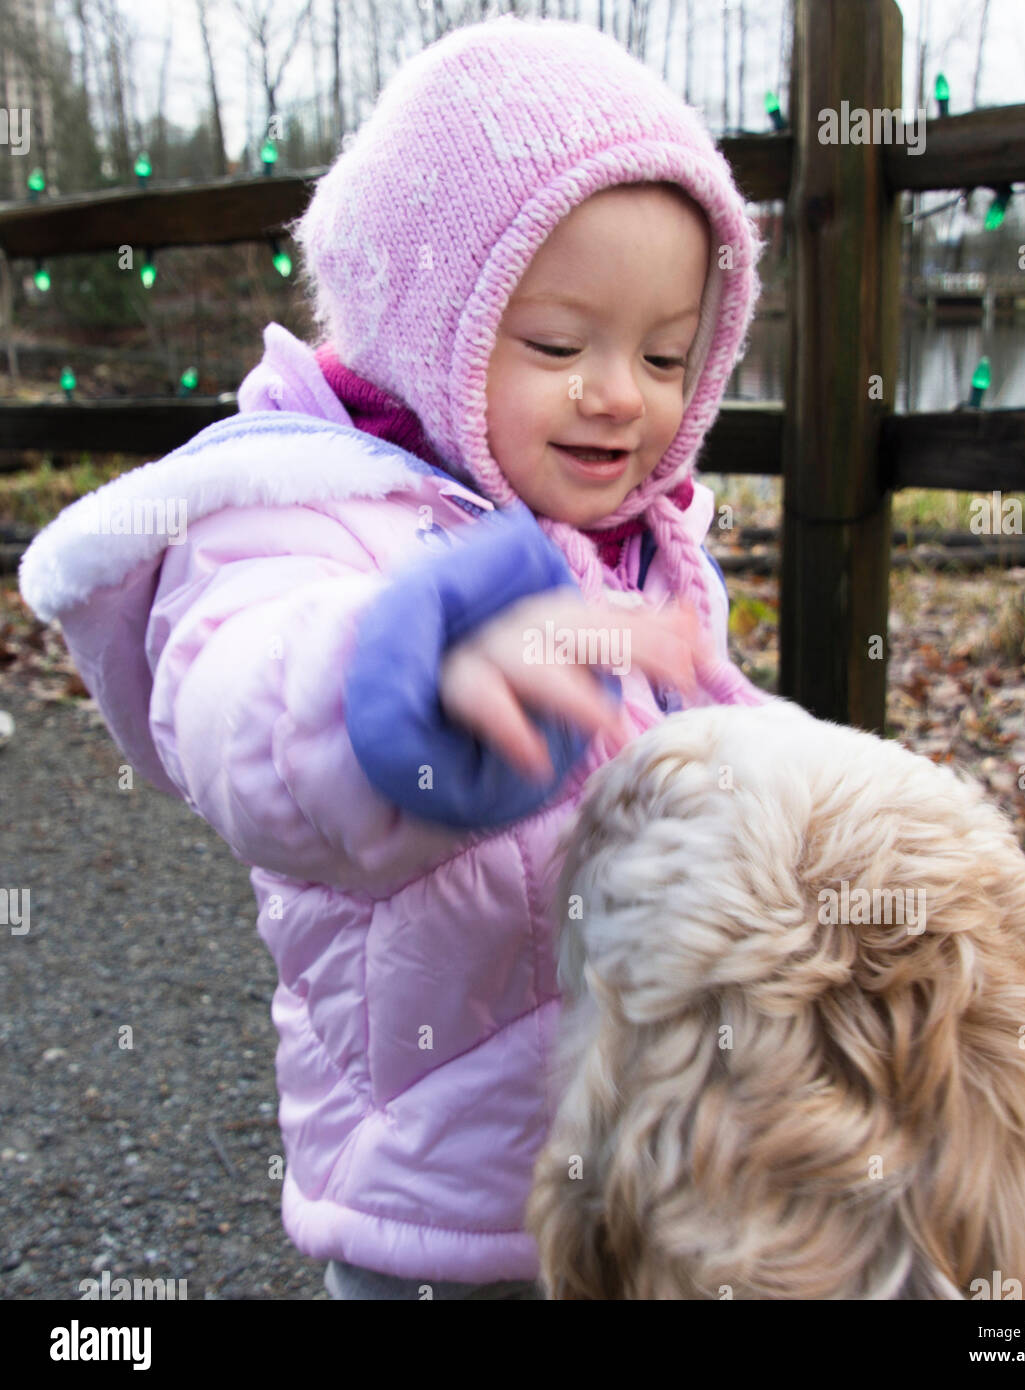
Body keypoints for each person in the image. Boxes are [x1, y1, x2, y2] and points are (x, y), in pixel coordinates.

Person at [18, 16, 769, 1298]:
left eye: (662, 354)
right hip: (441, 1188)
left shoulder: (640, 540)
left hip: (653, 1163)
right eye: (555, 345)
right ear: (429, 319)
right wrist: (401, 700)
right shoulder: (302, 516)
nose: (619, 394)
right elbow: (244, 713)